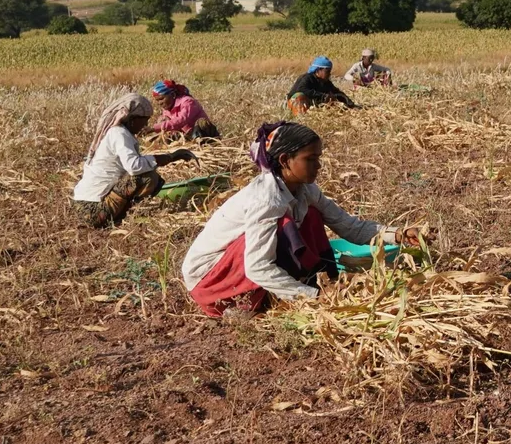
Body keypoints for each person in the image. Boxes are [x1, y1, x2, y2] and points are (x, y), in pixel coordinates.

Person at [182, 121, 428, 318]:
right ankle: (247, 304)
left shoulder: (305, 190)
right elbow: (257, 266)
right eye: (310, 159)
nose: (318, 165)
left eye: (318, 158)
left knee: (310, 216)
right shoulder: (266, 200)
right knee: (284, 226)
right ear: (285, 160)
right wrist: (311, 296)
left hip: (239, 268)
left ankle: (303, 286)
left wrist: (397, 234)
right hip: (211, 281)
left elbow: (348, 226)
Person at [72, 93, 197, 228]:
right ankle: (128, 215)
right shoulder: (119, 133)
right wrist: (167, 158)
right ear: (132, 119)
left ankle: (118, 215)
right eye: (144, 120)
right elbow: (134, 166)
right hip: (93, 210)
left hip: (82, 206)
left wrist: (166, 158)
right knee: (148, 177)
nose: (146, 124)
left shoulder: (115, 132)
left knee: (146, 174)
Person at [146, 79, 221, 141]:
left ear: (173, 95)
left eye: (161, 99)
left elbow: (180, 121)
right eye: (157, 100)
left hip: (202, 135)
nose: (159, 103)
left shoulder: (188, 102)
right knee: (163, 120)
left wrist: (154, 128)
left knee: (202, 122)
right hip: (186, 137)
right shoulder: (167, 109)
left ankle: (198, 142)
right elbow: (170, 125)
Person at [286, 56, 357, 115]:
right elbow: (302, 90)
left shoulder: (325, 82)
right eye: (327, 71)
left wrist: (350, 104)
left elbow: (337, 93)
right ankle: (300, 116)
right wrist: (323, 96)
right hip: (295, 103)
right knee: (300, 96)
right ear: (318, 70)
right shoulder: (307, 78)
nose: (329, 74)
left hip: (310, 107)